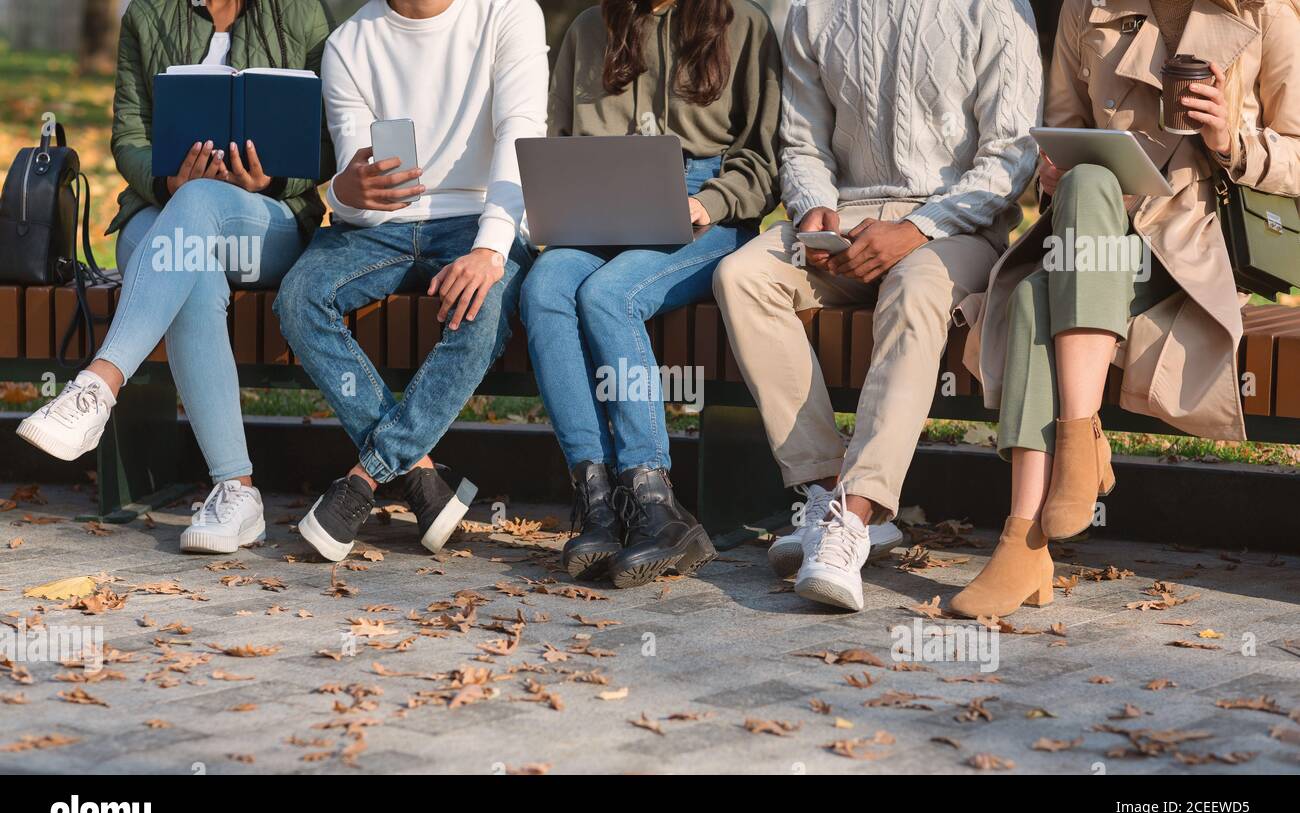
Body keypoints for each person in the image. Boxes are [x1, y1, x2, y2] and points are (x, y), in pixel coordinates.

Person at [950, 0, 1300, 618]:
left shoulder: (1266, 12)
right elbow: (1061, 134)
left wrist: (1231, 139)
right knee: (1084, 189)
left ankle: (1025, 536)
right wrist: (1054, 174)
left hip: (1199, 247)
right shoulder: (1089, 11)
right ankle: (1066, 468)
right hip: (1097, 234)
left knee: (1036, 296)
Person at [712, 0, 1042, 611]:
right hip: (850, 221)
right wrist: (814, 209)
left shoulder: (996, 10)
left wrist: (918, 228)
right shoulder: (815, 11)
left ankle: (855, 518)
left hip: (958, 229)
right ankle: (826, 492)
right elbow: (803, 140)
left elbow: (1011, 158)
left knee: (915, 290)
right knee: (741, 275)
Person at [17, 0, 334, 554]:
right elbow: (127, 134)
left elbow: (327, 141)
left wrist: (270, 178)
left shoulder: (301, 12)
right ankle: (236, 493)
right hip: (163, 211)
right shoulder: (147, 15)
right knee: (194, 269)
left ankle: (98, 386)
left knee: (197, 210)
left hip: (266, 221)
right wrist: (166, 182)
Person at [274, 0, 547, 562]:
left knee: (483, 303)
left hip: (480, 214)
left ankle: (366, 476)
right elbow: (359, 189)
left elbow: (522, 134)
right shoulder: (350, 42)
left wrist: (491, 248)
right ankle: (420, 473)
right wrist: (348, 194)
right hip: (385, 229)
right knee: (301, 296)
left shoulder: (510, 12)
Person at [523, 0, 781, 588]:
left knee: (610, 295)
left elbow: (764, 162)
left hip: (706, 207)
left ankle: (656, 503)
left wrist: (709, 202)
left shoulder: (744, 23)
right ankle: (597, 502)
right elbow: (557, 147)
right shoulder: (590, 29)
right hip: (599, 204)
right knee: (545, 288)